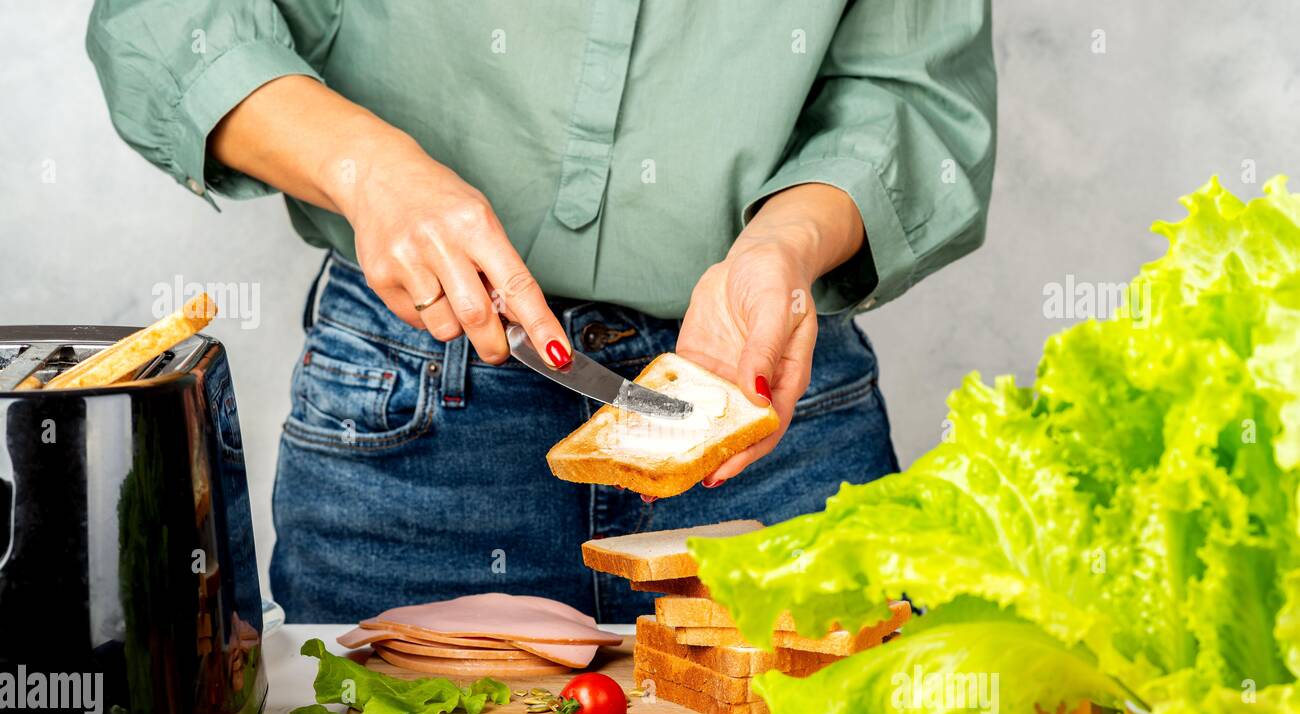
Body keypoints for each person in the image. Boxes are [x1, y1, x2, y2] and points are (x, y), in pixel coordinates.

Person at [87, 0, 995, 623]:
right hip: (410, 422)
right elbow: (165, 21)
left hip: (770, 424)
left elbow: (915, 89)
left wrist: (785, 246)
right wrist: (368, 170)